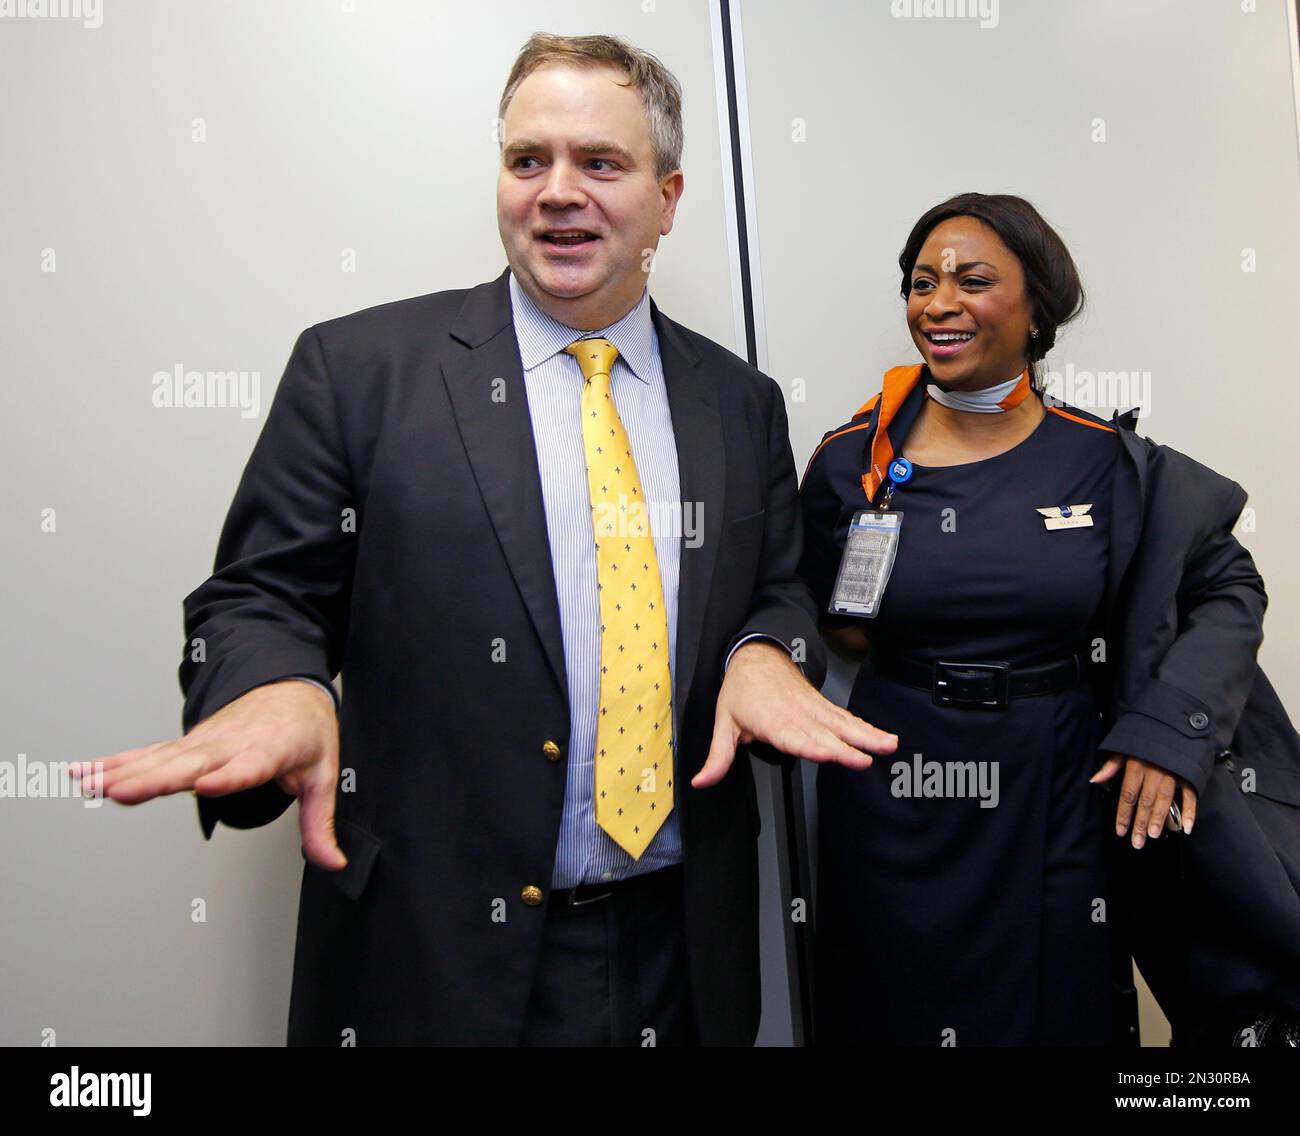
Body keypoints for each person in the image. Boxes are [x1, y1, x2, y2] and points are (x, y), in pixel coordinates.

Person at [71, 33, 897, 1047]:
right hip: (432, 951)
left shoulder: (738, 401)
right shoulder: (358, 370)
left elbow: (777, 588)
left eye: (598, 162)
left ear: (669, 198)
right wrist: (275, 684)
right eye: (526, 160)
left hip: (681, 948)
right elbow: (257, 598)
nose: (556, 191)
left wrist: (766, 649)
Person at [798, 192, 1279, 1046]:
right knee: (889, 1013)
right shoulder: (852, 462)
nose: (938, 303)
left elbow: (1229, 588)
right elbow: (819, 611)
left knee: (1057, 1012)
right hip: (892, 792)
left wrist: (1169, 731)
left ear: (1037, 310)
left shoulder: (1108, 461)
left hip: (1055, 787)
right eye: (920, 283)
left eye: (972, 281)